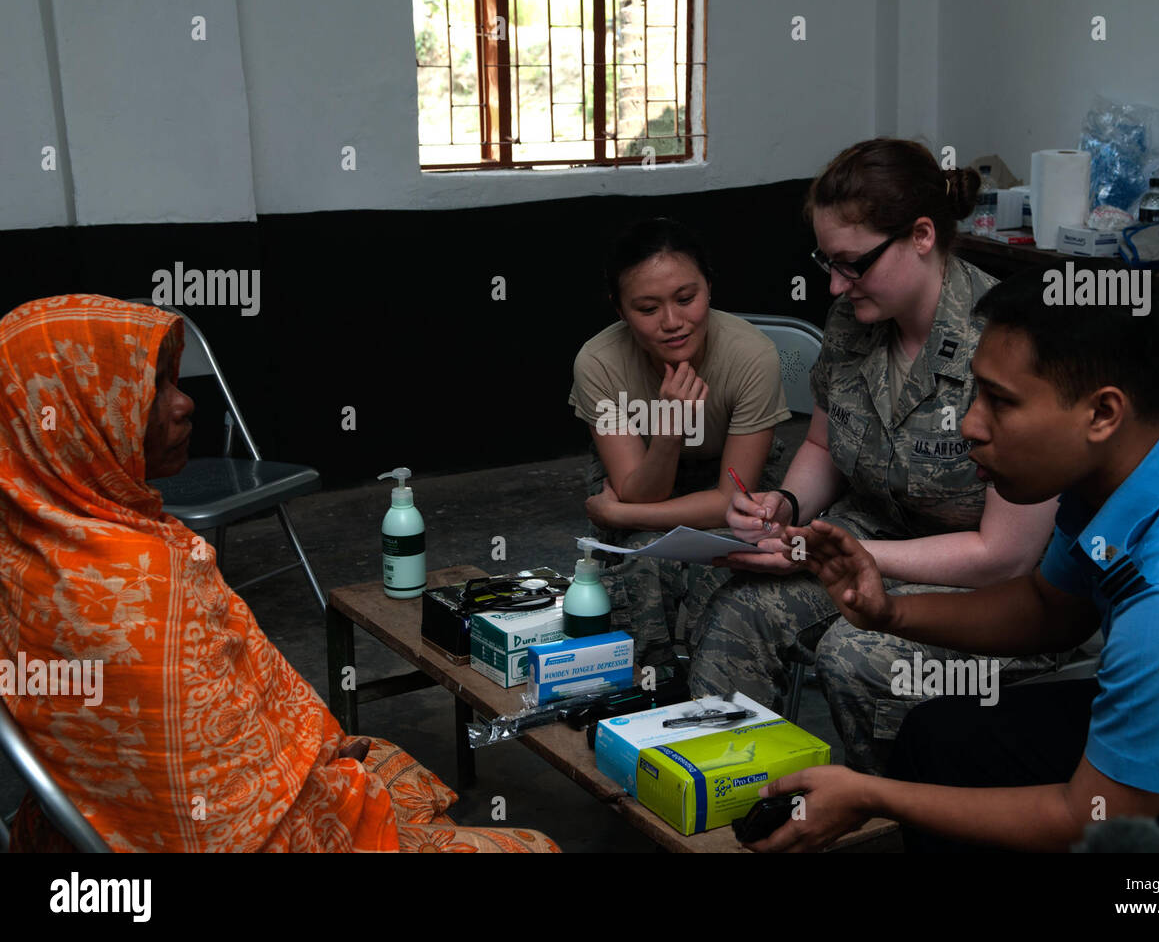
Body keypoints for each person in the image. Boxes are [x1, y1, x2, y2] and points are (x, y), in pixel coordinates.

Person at [749, 262, 1159, 852]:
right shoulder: (1148, 450)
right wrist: (889, 615)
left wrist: (868, 796)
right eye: (975, 391)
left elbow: (1091, 820)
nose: (969, 425)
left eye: (1001, 402)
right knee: (937, 739)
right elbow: (1053, 609)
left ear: (1103, 413)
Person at [0, 294, 559, 853]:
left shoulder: (27, 546)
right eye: (149, 391)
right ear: (71, 421)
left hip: (75, 832)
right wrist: (342, 797)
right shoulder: (139, 594)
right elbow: (230, 827)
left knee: (383, 762)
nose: (184, 403)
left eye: (173, 380)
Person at [688, 139, 1070, 773]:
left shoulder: (1009, 344)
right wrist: (785, 507)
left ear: (922, 235)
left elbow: (1002, 557)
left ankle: (890, 817)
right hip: (877, 542)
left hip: (994, 588)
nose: (836, 285)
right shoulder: (853, 320)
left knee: (857, 653)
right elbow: (823, 443)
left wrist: (825, 552)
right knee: (736, 608)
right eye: (825, 262)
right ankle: (740, 806)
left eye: (853, 263)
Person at [569, 217, 791, 667]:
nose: (673, 323)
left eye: (686, 299)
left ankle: (719, 690)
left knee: (729, 571)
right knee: (637, 563)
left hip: (726, 480)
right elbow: (636, 487)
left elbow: (734, 500)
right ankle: (650, 691)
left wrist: (620, 512)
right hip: (651, 477)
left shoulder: (752, 356)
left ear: (709, 287)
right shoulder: (600, 363)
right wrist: (669, 430)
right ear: (620, 310)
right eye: (648, 309)